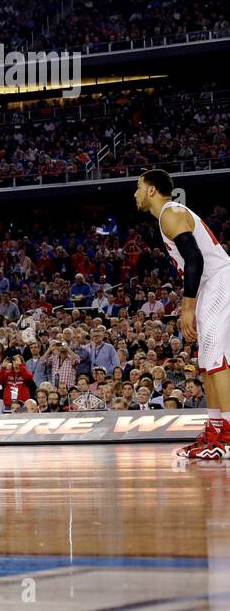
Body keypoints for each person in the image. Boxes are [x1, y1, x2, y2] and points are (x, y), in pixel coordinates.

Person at [136, 170, 230, 458]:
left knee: (217, 359)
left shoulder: (170, 212)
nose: (135, 194)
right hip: (209, 285)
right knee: (206, 361)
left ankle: (227, 435)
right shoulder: (168, 216)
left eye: (138, 187)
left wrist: (187, 307)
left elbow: (195, 258)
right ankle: (216, 428)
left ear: (152, 190)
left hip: (218, 280)